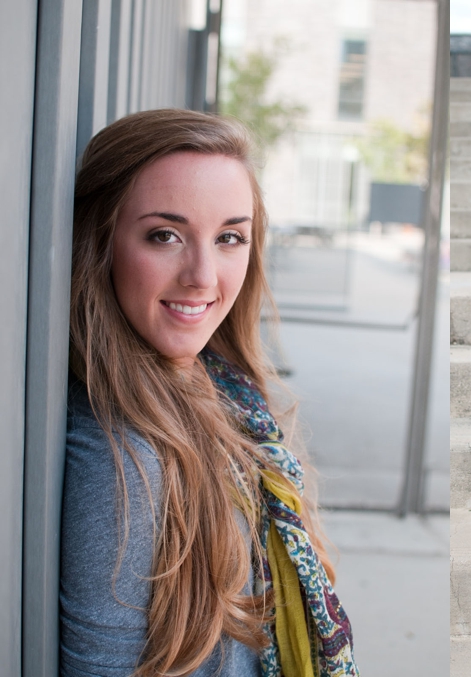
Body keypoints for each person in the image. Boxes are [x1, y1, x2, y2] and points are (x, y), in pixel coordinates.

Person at [61, 109, 358, 677]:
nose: (203, 274)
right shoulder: (122, 459)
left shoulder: (218, 386)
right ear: (101, 242)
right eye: (164, 235)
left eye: (229, 237)